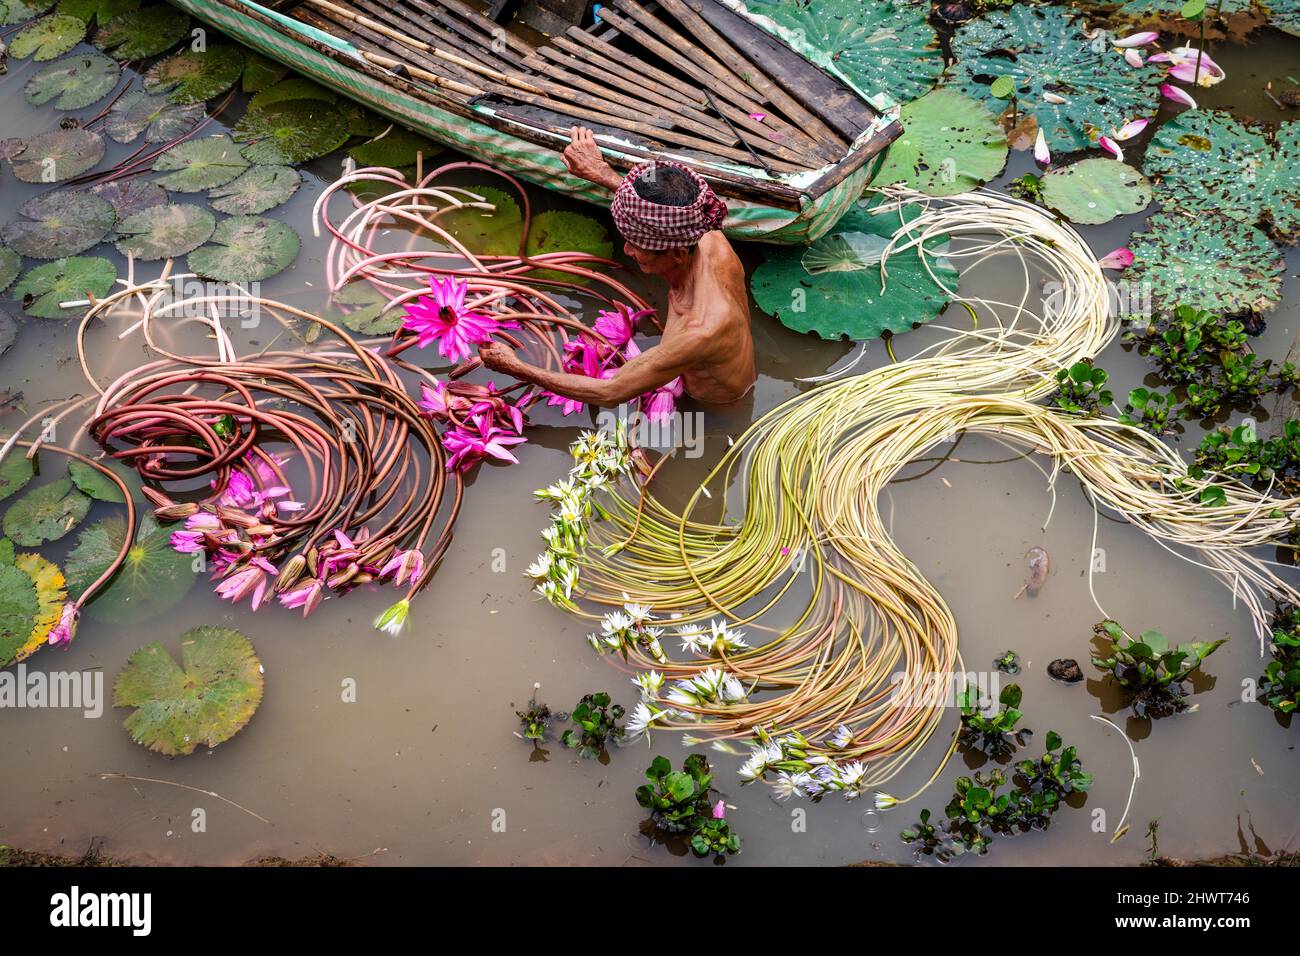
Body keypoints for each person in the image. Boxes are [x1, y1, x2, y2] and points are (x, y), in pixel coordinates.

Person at [477, 126, 756, 408]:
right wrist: (601, 171)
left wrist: (516, 367)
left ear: (677, 254)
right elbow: (658, 211)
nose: (627, 250)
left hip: (713, 409)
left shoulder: (699, 329)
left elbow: (610, 391)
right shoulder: (705, 233)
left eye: (636, 245)